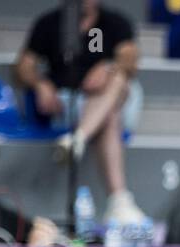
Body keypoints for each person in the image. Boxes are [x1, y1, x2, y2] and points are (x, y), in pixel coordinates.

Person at [13, 0, 146, 225]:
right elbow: (23, 66)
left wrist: (109, 67)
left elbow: (129, 62)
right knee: (109, 116)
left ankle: (78, 138)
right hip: (66, 103)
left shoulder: (115, 22)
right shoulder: (49, 23)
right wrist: (40, 84)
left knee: (118, 83)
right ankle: (119, 199)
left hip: (113, 99)